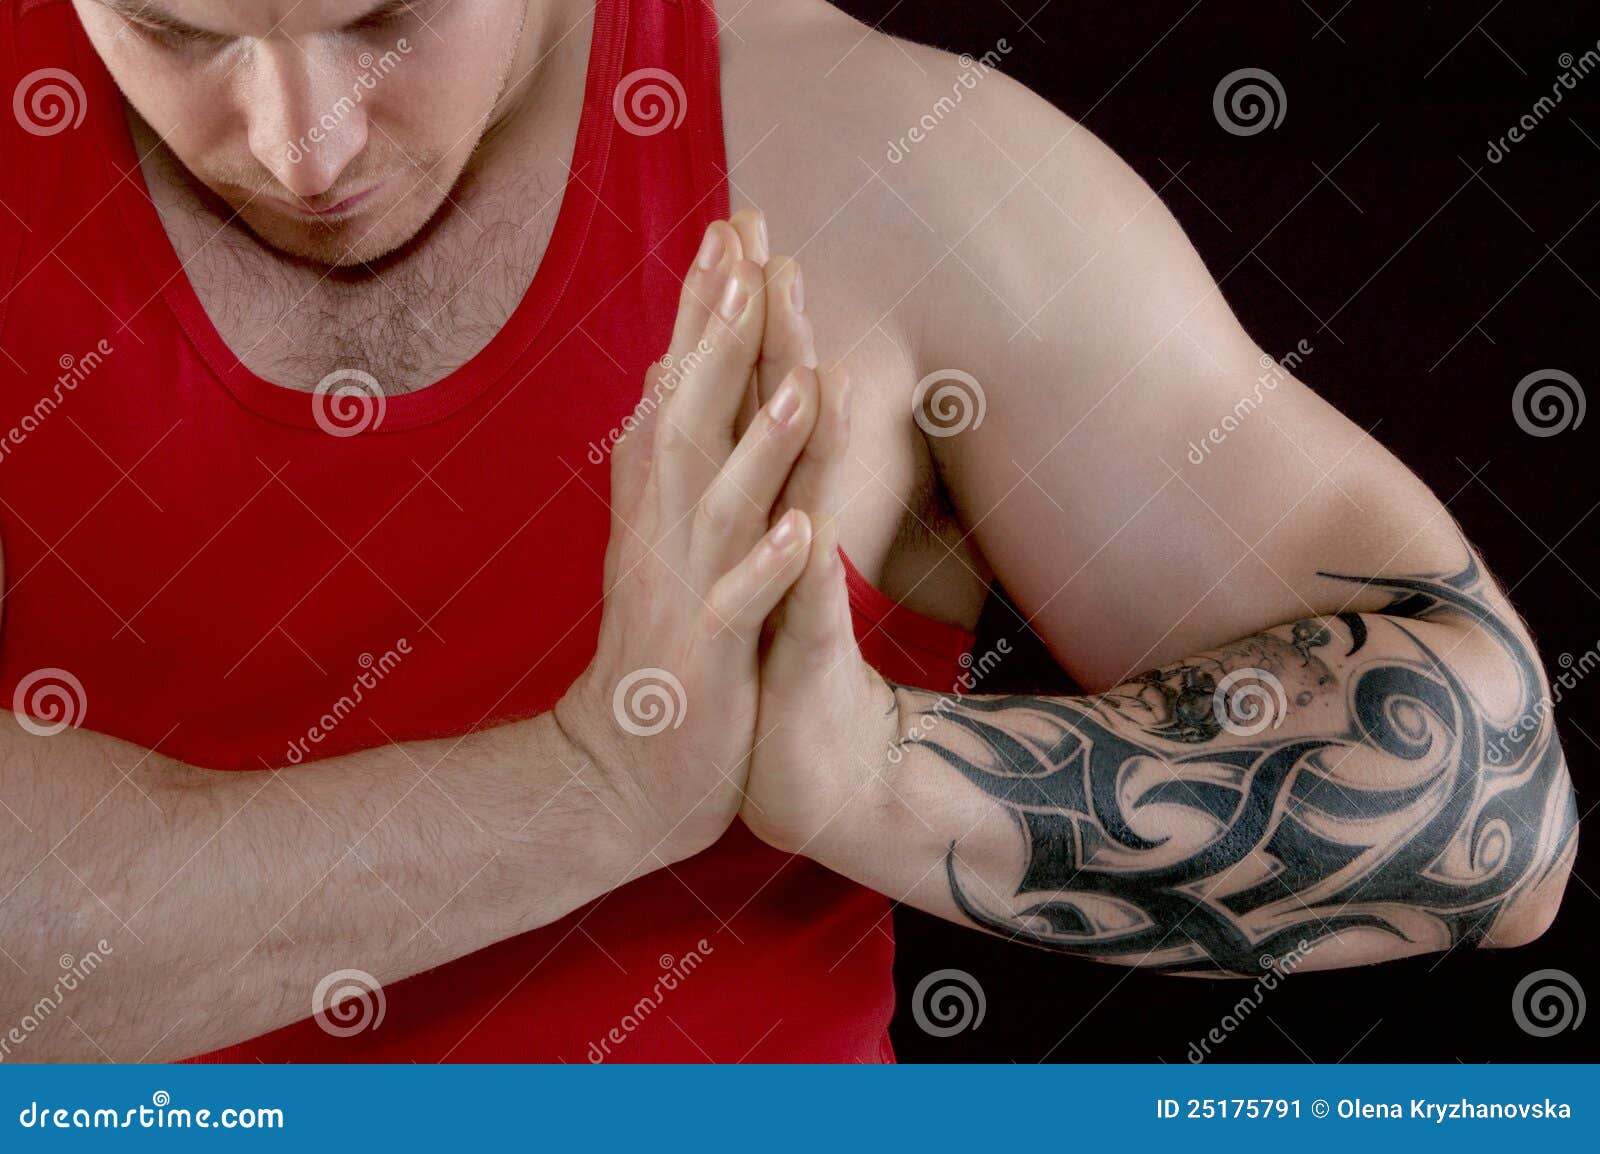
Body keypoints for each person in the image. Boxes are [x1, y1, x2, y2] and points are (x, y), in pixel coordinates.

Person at [0, 0, 1575, 1063]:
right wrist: (602, 787)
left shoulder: (872, 165)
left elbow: (1497, 802)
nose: (301, 143)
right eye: (173, 27)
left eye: (385, 15)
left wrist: (878, 774)